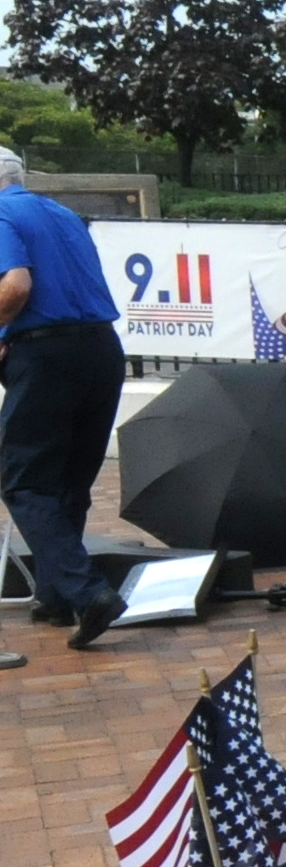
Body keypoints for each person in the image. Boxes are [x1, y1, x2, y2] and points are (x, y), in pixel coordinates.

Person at [0, 150, 127, 652]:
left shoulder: (2, 212)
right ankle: (56, 597)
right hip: (101, 350)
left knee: (25, 480)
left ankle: (88, 592)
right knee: (70, 482)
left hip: (45, 354)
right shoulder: (63, 214)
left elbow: (16, 286)